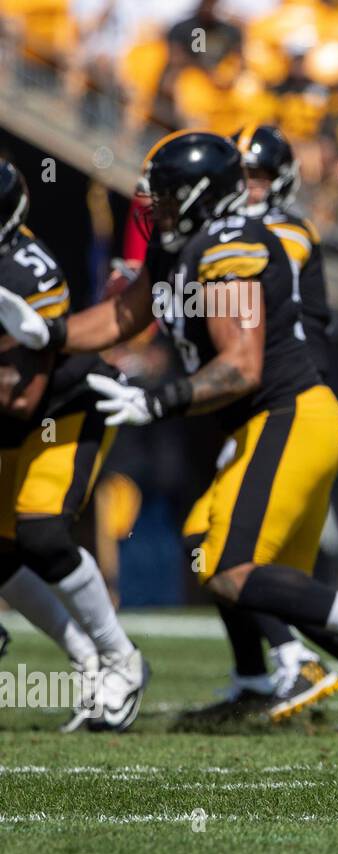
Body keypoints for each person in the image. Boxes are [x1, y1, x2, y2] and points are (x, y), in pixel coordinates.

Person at [0, 132, 338, 733]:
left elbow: (242, 365)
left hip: (290, 414)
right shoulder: (181, 248)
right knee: (212, 547)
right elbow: (124, 316)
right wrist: (52, 333)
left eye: (167, 196)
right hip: (265, 422)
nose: (156, 208)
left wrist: (159, 399)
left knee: (231, 566)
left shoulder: (231, 246)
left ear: (202, 196)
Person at [0, 160, 148, 731]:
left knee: (40, 533)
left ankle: (120, 657)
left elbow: (21, 396)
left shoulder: (26, 274)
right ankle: (86, 660)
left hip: (61, 405)